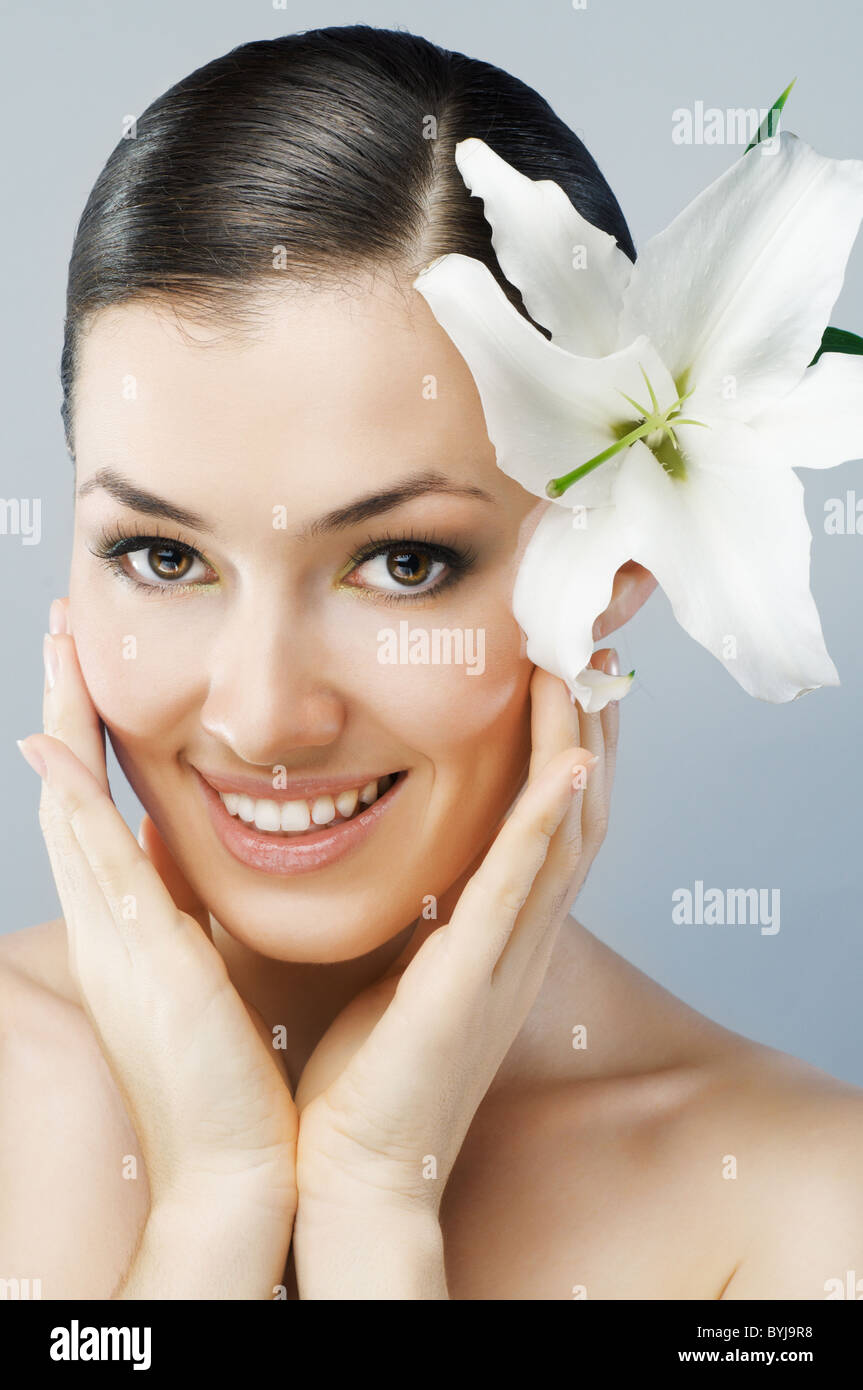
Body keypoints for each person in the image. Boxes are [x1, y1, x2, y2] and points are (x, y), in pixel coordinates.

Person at [3, 24, 862, 1301]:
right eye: (163, 557)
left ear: (610, 568)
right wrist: (213, 1204)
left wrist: (374, 1208)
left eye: (401, 562)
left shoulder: (804, 1215)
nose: (263, 716)